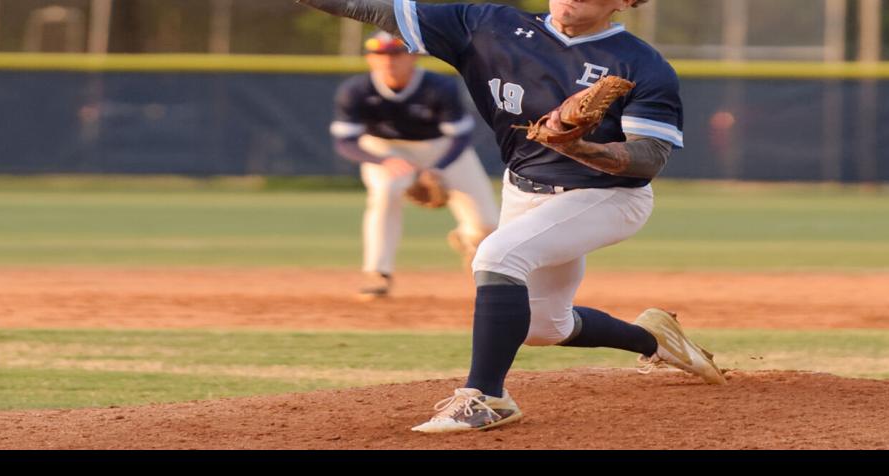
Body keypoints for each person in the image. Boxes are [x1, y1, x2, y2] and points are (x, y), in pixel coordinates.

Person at [296, 0, 724, 434]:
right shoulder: (486, 25)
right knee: (543, 326)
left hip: (607, 196)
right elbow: (369, 8)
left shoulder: (641, 63)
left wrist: (579, 148)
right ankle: (653, 338)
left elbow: (649, 156)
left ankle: (486, 397)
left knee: (497, 255)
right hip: (522, 188)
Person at [332, 29, 500, 300]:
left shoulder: (438, 86)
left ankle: (468, 240)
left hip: (442, 148)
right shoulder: (356, 90)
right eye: (379, 54)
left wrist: (438, 168)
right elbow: (346, 142)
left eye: (396, 54)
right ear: (370, 59)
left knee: (487, 224)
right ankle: (377, 272)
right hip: (385, 150)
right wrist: (382, 160)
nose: (388, 61)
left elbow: (459, 137)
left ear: (413, 56)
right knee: (385, 193)